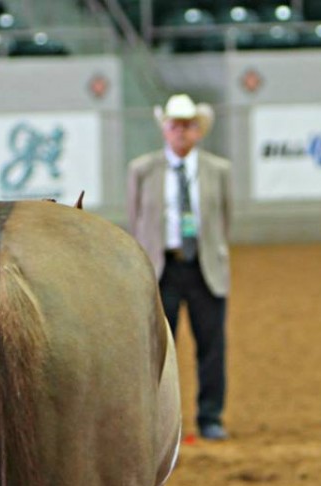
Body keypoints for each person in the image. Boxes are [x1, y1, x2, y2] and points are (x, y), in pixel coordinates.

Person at [127, 94, 232, 441]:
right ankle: (156, 423)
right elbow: (136, 219)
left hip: (205, 270)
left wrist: (212, 253)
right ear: (165, 130)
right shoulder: (142, 170)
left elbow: (224, 220)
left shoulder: (219, 171)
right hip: (162, 270)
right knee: (156, 350)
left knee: (212, 346)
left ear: (198, 131)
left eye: (188, 126)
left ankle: (210, 417)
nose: (181, 132)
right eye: (174, 126)